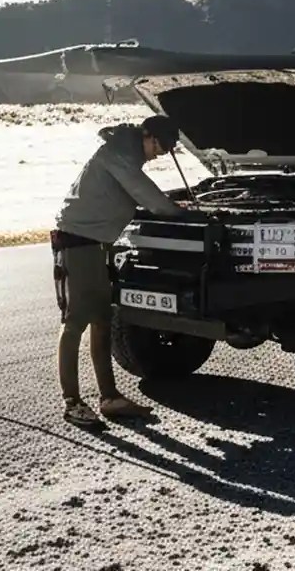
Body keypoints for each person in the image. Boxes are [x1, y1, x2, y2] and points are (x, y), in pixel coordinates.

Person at [51, 114, 184, 428]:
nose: (157, 154)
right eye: (158, 146)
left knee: (101, 318)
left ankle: (109, 398)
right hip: (77, 242)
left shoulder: (126, 153)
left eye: (164, 151)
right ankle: (72, 403)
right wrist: (177, 212)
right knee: (75, 321)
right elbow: (147, 195)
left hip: (96, 243)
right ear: (146, 134)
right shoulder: (119, 154)